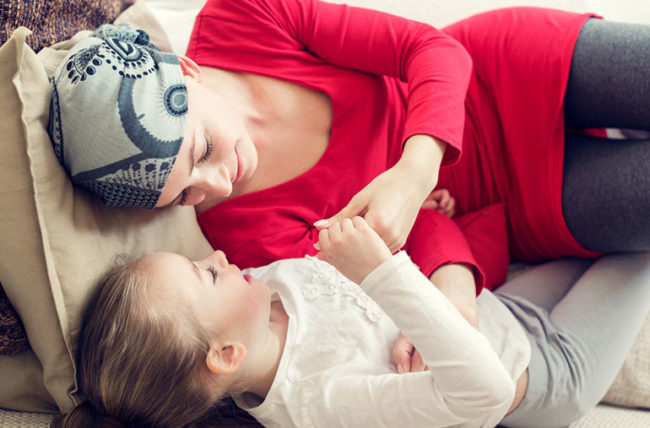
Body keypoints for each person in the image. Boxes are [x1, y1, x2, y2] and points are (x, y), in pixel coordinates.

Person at [48, 1, 650, 370]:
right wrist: (452, 290)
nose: (215, 184)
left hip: (503, 72)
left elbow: (432, 50)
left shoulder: (244, 16)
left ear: (188, 72)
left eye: (201, 150)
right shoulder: (241, 236)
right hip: (514, 209)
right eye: (183, 194)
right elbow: (407, 252)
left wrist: (414, 174)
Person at [51, 216, 650, 428]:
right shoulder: (318, 402)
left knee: (606, 225)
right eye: (205, 275)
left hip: (500, 302)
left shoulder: (267, 284)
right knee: (638, 246)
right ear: (225, 355)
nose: (216, 257)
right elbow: (484, 392)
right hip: (543, 375)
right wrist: (383, 271)